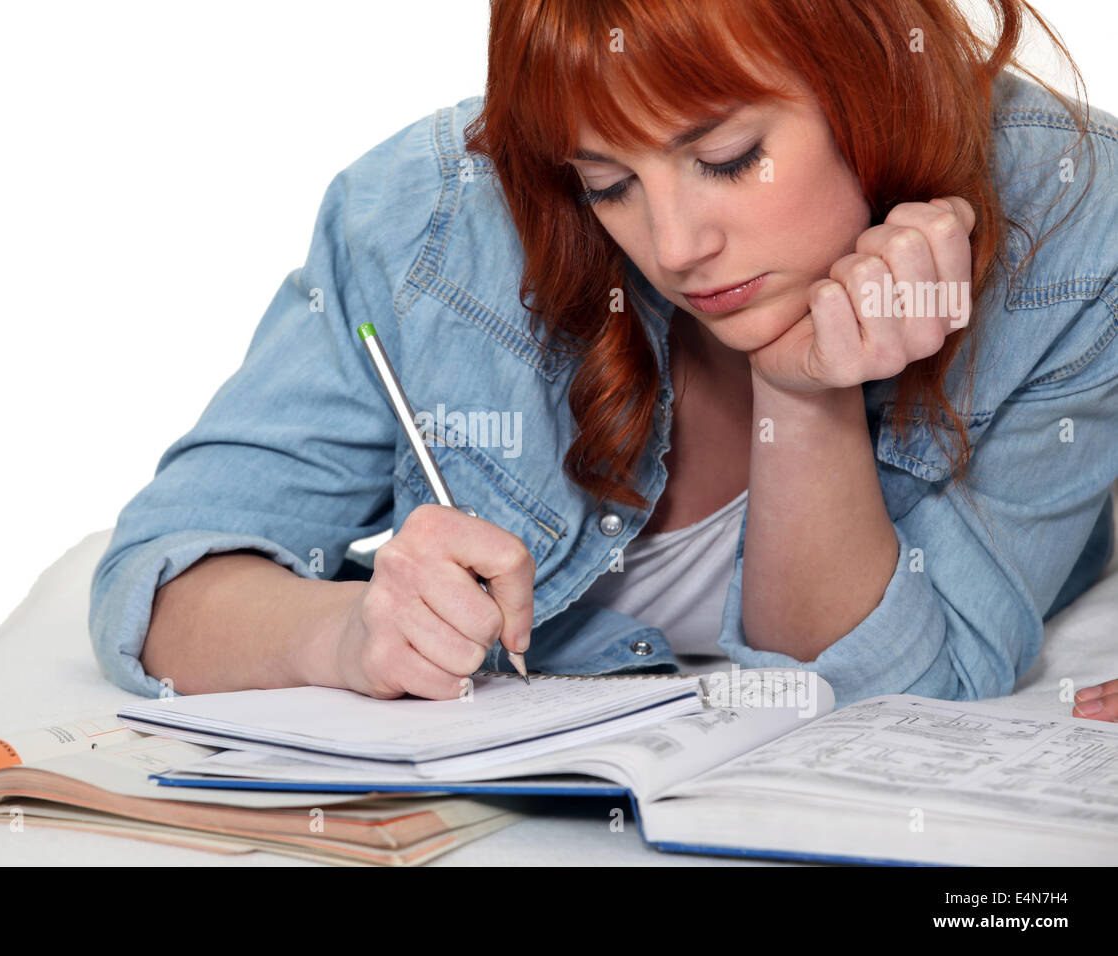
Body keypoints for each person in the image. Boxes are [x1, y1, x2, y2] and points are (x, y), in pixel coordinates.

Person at [89, 0, 1118, 712]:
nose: (675, 249)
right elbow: (161, 574)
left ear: (870, 81)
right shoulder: (433, 222)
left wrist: (801, 398)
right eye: (607, 182)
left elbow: (890, 697)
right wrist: (348, 633)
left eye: (726, 159)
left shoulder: (1071, 227)